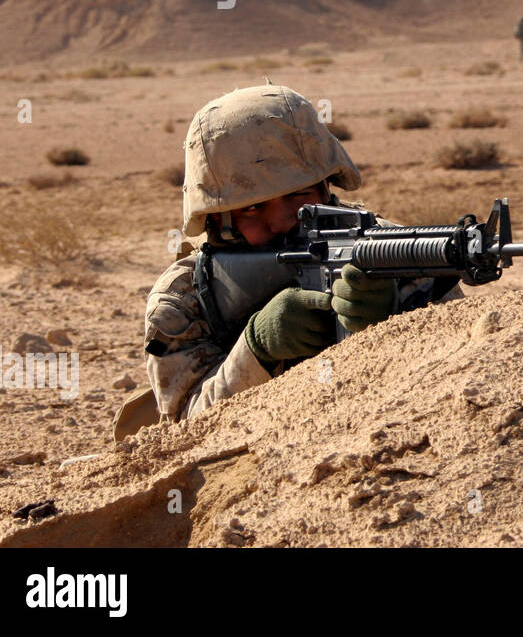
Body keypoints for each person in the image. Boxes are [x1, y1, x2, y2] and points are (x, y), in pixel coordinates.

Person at [115, 84, 459, 438]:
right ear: (217, 219)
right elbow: (182, 434)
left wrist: (385, 328)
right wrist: (257, 349)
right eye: (252, 207)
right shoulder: (184, 297)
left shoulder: (393, 249)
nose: (282, 221)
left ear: (326, 187)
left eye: (300, 195)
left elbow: (462, 373)